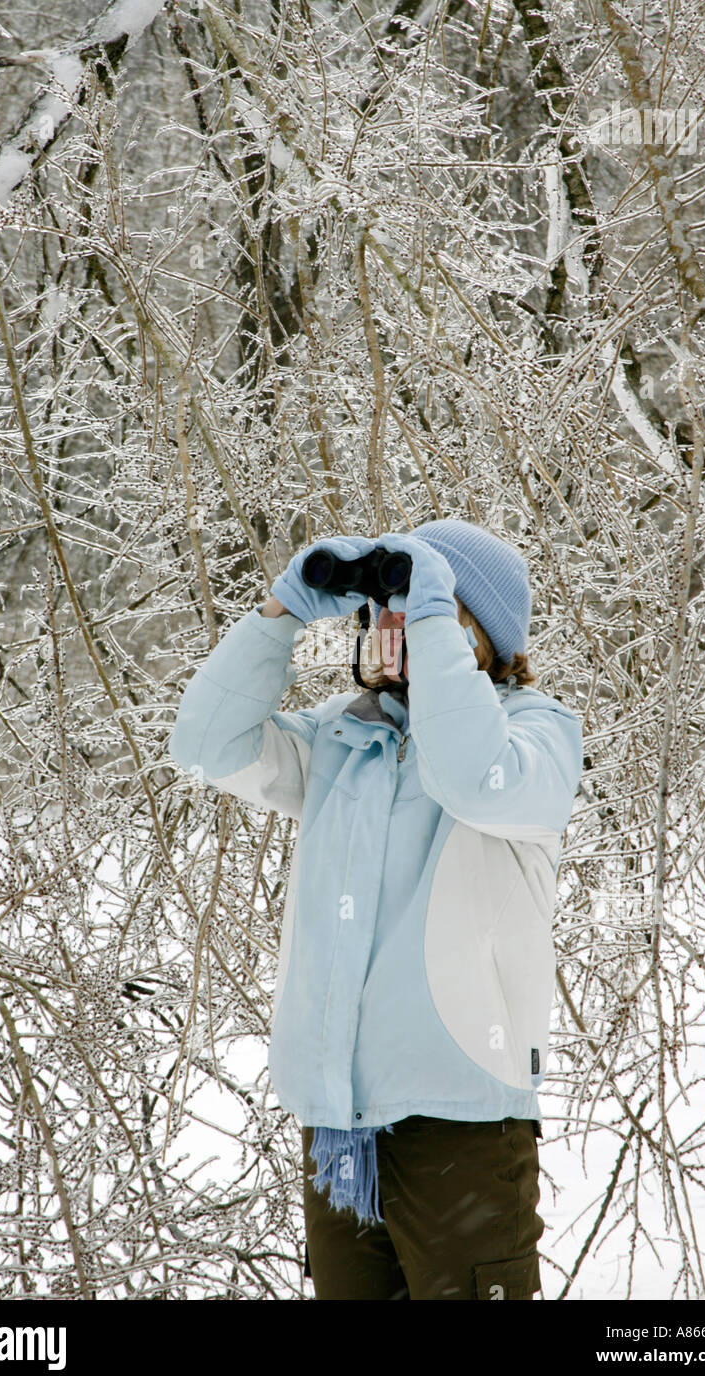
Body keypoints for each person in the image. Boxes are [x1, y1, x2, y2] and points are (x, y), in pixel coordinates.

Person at [168, 519, 583, 1300]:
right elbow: (205, 746)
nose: (394, 628)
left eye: (422, 610)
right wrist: (279, 614)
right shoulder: (343, 738)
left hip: (461, 1122)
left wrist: (430, 614)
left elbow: (469, 776)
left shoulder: (536, 736)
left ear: (478, 635)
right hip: (339, 1125)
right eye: (386, 608)